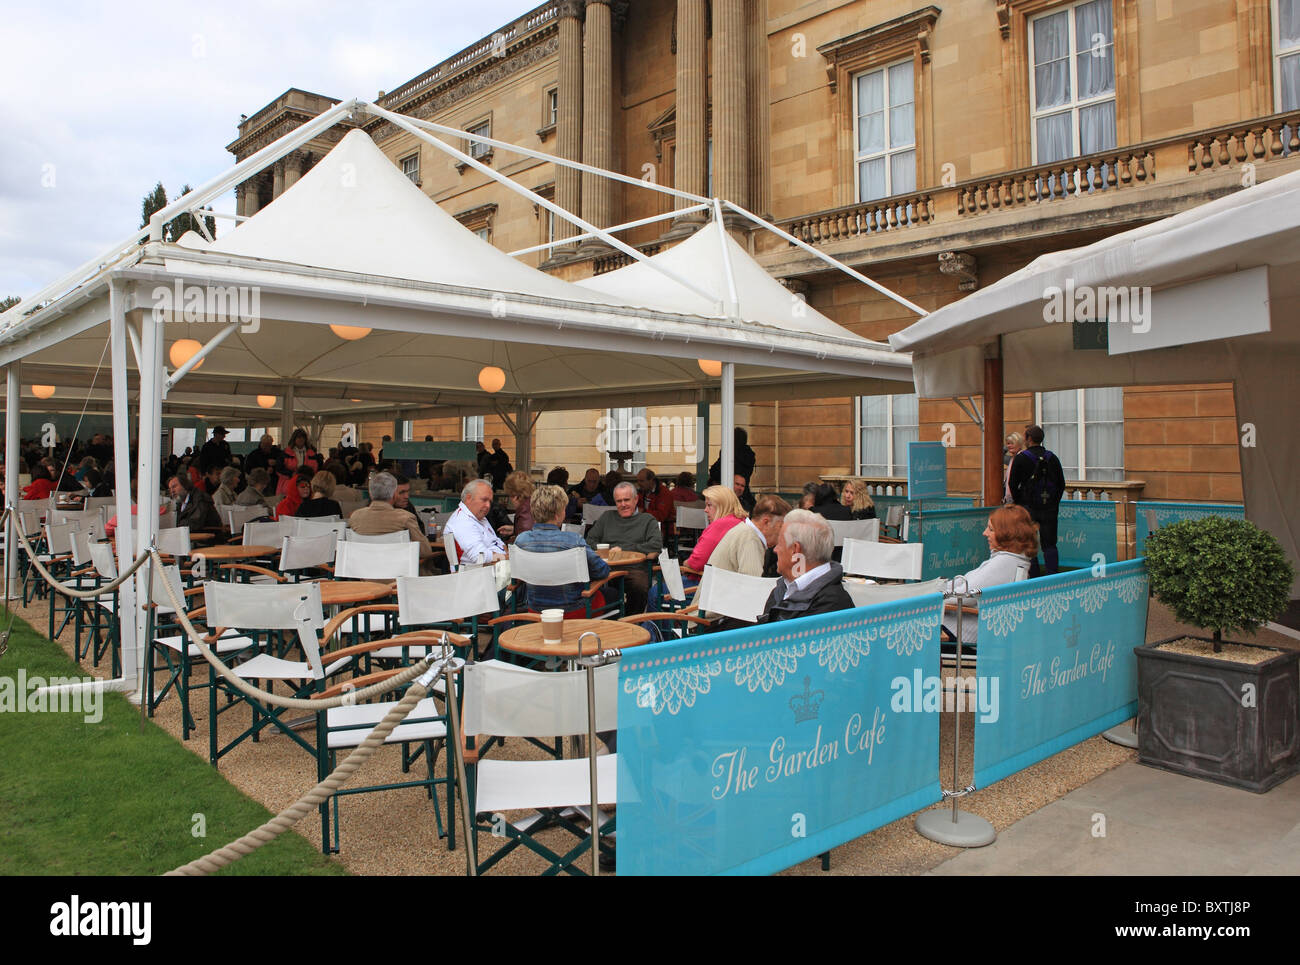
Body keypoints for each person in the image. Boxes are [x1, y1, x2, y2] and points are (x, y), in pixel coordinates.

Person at [942, 506, 1037, 642]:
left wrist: (927, 597)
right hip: (969, 628)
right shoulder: (1013, 561)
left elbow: (964, 596)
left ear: (1007, 534)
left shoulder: (1004, 563)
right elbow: (964, 586)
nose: (984, 533)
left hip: (964, 632)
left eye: (991, 529)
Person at [513, 484, 611, 614]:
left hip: (536, 610)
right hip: (574, 609)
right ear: (557, 515)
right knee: (612, 594)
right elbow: (602, 571)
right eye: (564, 509)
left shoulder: (521, 541)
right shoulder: (574, 541)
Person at [760, 509, 855, 622]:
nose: (775, 550)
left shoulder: (831, 606)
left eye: (780, 544)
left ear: (795, 550)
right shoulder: (785, 588)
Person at [585, 481, 662, 613]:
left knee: (639, 586)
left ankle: (631, 622)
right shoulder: (607, 517)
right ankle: (605, 620)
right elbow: (589, 541)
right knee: (581, 583)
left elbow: (655, 544)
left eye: (626, 500)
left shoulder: (647, 520)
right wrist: (609, 550)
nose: (623, 504)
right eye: (619, 501)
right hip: (604, 568)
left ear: (636, 499)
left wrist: (623, 549)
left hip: (633, 569)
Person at [1008, 424, 1066, 576]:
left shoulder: (1021, 458)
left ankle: (1033, 576)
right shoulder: (1052, 457)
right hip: (1049, 508)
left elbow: (1012, 484)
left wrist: (1019, 502)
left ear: (1028, 439)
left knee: (1029, 543)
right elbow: (1061, 484)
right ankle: (1052, 574)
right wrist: (1054, 502)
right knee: (1050, 544)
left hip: (1028, 507)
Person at [349, 471, 436, 568]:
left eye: (408, 492)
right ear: (392, 493)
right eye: (402, 492)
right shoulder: (405, 518)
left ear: (370, 493)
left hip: (363, 576)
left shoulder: (356, 517)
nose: (407, 496)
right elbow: (425, 552)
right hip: (399, 576)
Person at [710, 494, 790, 577]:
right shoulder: (750, 538)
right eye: (780, 526)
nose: (782, 534)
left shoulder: (745, 531)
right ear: (766, 522)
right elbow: (752, 584)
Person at [684, 485, 748, 574]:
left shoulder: (720, 525)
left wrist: (685, 564)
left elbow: (697, 562)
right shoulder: (741, 521)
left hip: (708, 583)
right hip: (730, 581)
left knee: (660, 587)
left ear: (722, 505)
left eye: (709, 505)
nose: (705, 510)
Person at [445, 478, 507, 565]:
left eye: (490, 501)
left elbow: (497, 542)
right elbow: (479, 557)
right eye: (484, 500)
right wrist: (507, 558)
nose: (488, 505)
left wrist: (506, 556)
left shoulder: (478, 516)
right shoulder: (462, 521)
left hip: (495, 570)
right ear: (469, 498)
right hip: (476, 575)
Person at [636, 468, 675, 538]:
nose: (639, 484)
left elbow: (661, 516)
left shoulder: (664, 493)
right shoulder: (642, 492)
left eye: (642, 481)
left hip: (663, 528)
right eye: (638, 481)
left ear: (651, 480)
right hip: (645, 526)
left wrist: (643, 512)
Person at [501, 470, 535, 539]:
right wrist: (514, 530)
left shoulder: (523, 513)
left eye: (509, 495)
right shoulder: (533, 503)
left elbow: (524, 541)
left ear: (515, 496)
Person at [1003, 432, 1024, 504]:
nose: (1009, 446)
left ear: (1019, 444)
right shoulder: (1012, 459)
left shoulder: (1022, 457)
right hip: (1010, 498)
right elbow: (999, 456)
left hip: (1019, 498)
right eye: (1008, 443)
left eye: (1012, 443)